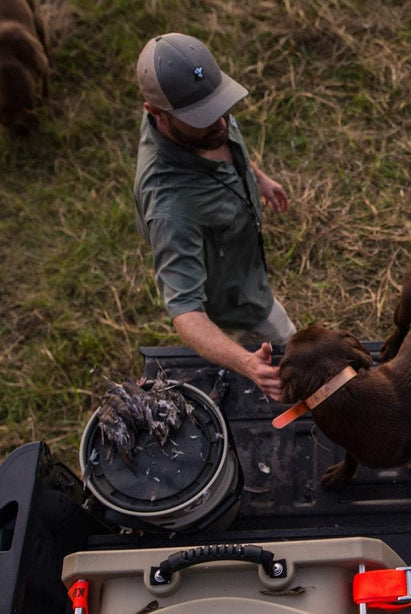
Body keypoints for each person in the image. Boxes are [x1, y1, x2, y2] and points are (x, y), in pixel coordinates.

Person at [133, 32, 294, 400]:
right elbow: (186, 312)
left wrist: (257, 176)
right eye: (204, 118)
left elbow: (223, 141)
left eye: (221, 107)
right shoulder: (171, 207)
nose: (221, 124)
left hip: (246, 270)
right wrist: (248, 363)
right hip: (235, 306)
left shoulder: (199, 120)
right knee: (281, 347)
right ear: (155, 114)